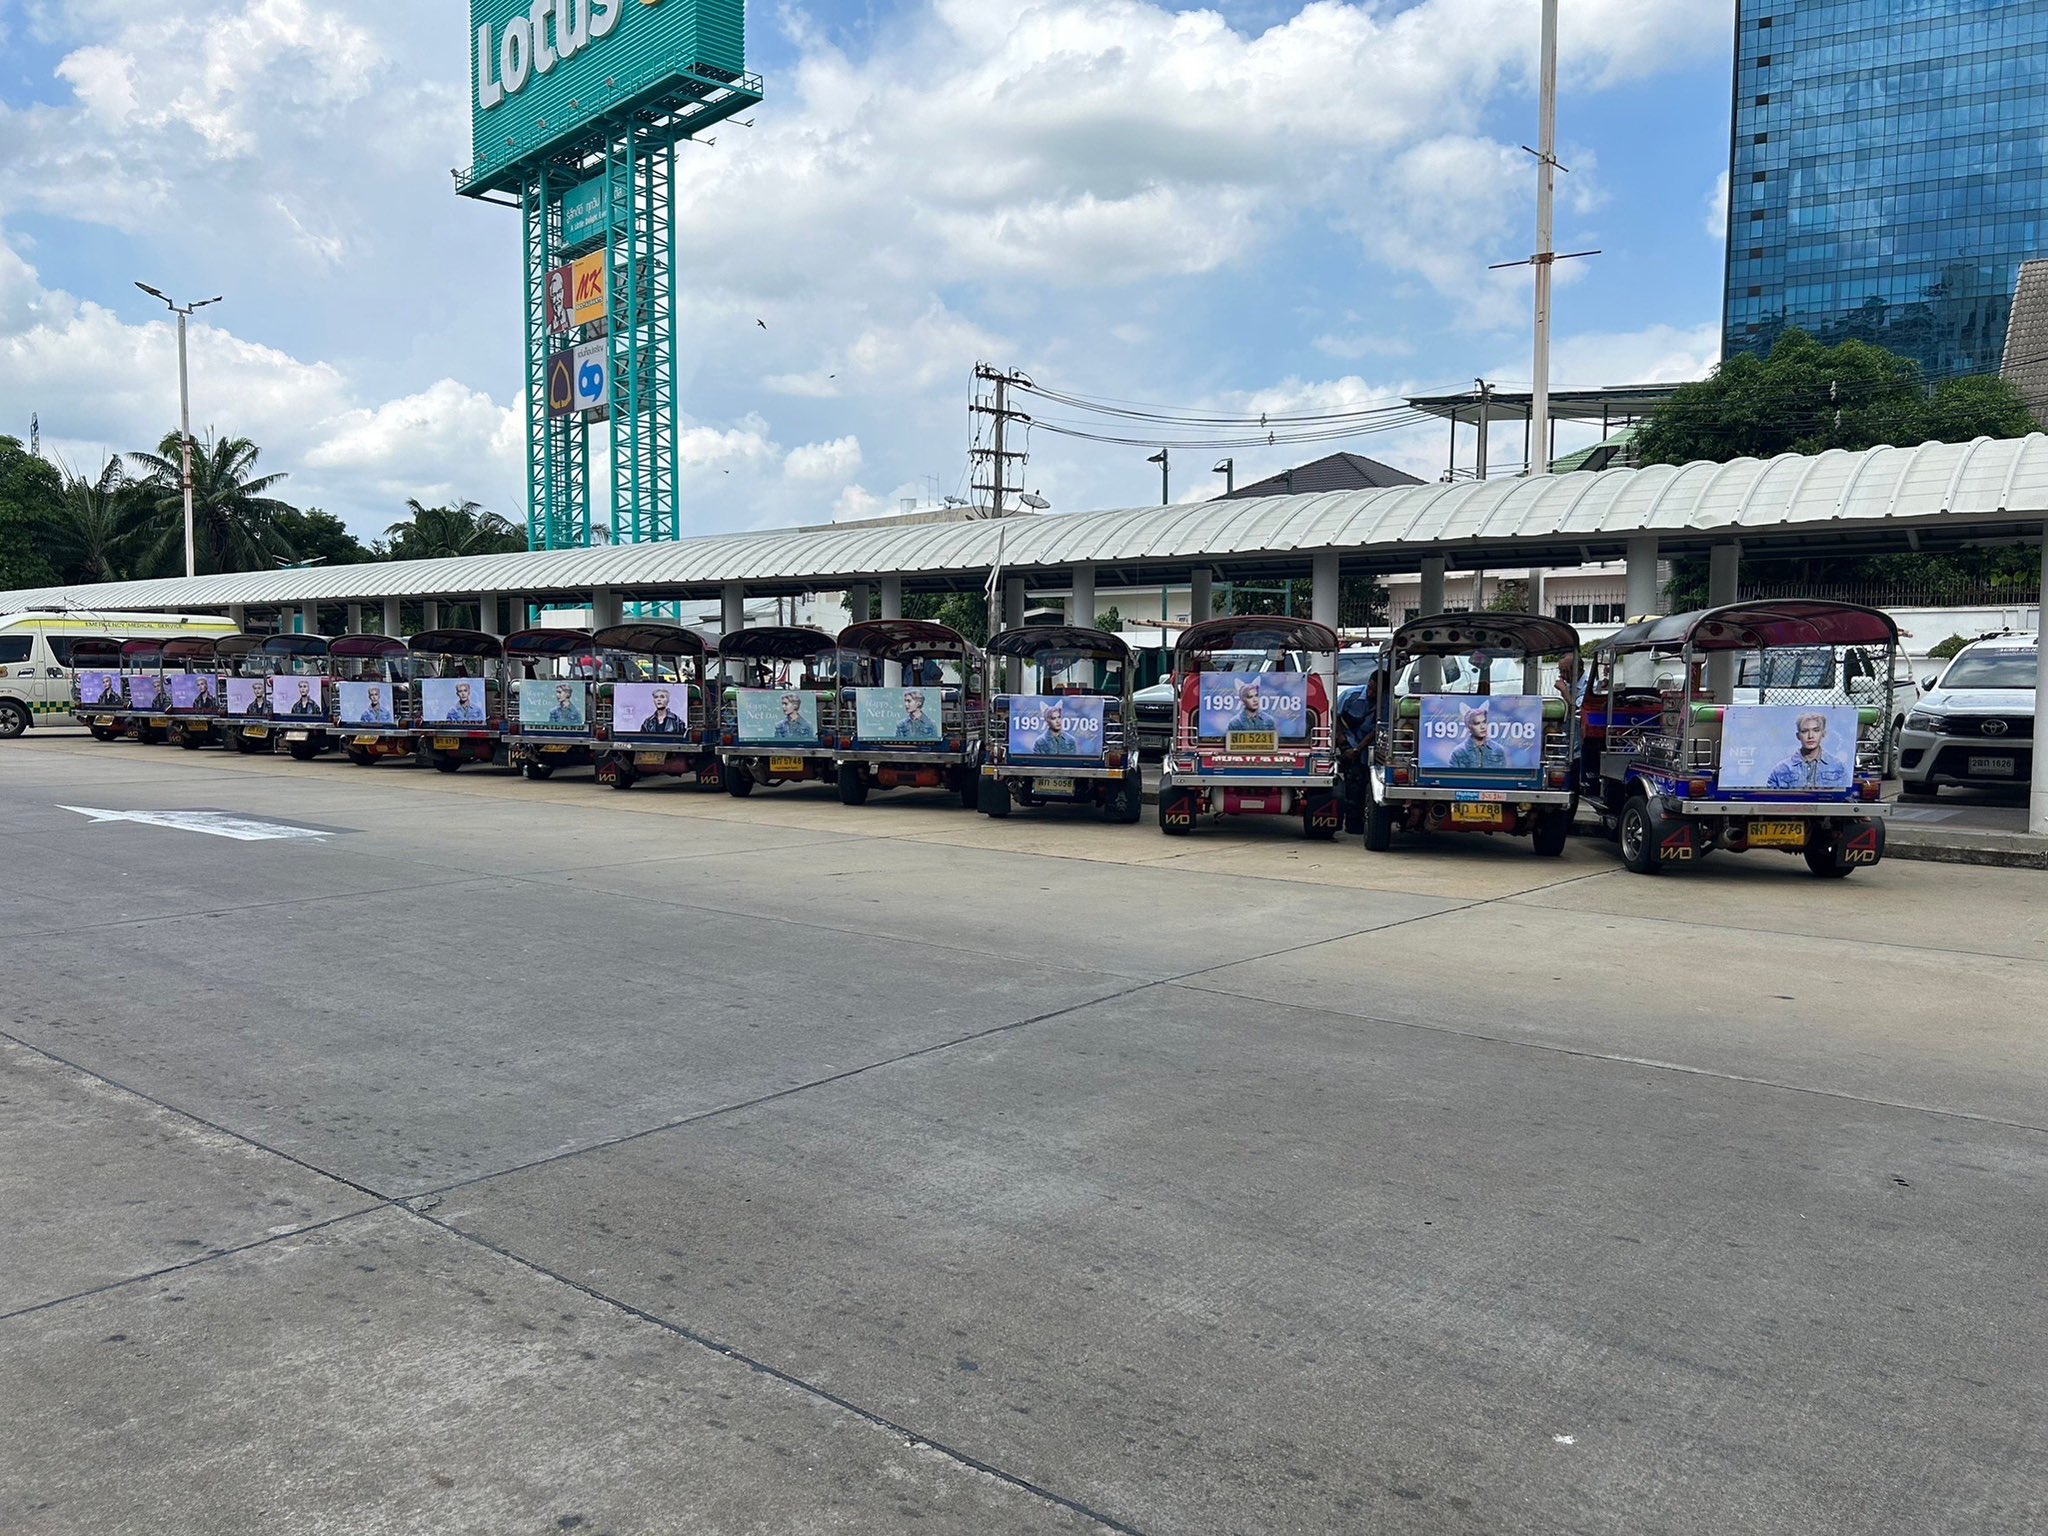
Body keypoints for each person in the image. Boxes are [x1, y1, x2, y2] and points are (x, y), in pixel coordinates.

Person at [1766, 712, 1851, 789]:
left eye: (1816, 730)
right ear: (1798, 736)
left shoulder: (1838, 767)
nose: (1810, 736)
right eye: (1805, 731)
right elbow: (1770, 800)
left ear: (1823, 734)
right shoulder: (1782, 769)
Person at [1448, 702, 1508, 769]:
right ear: (1468, 727)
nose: (1482, 727)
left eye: (1484, 722)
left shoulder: (1498, 750)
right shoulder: (1458, 752)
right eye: (1477, 723)